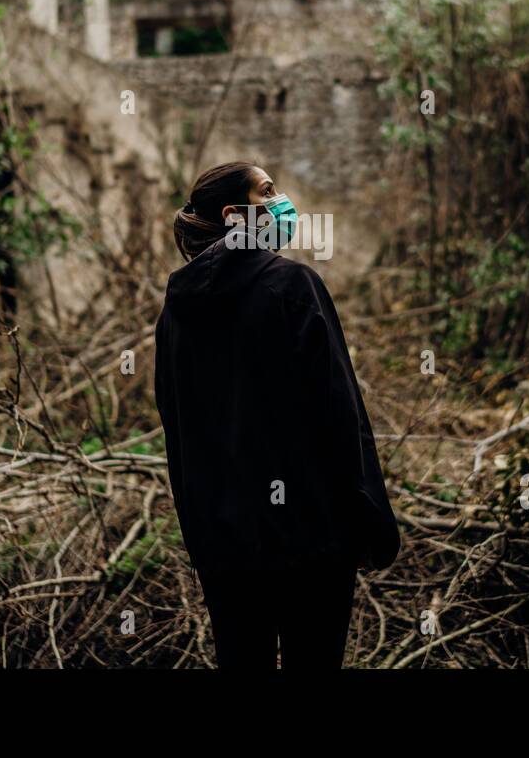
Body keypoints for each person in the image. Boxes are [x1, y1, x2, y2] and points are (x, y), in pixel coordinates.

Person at [153, 161, 400, 669]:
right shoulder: (292, 286)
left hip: (224, 546)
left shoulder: (175, 312)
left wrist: (202, 536)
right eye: (268, 192)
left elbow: (177, 432)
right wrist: (367, 517)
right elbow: (340, 410)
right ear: (235, 214)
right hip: (312, 537)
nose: (282, 200)